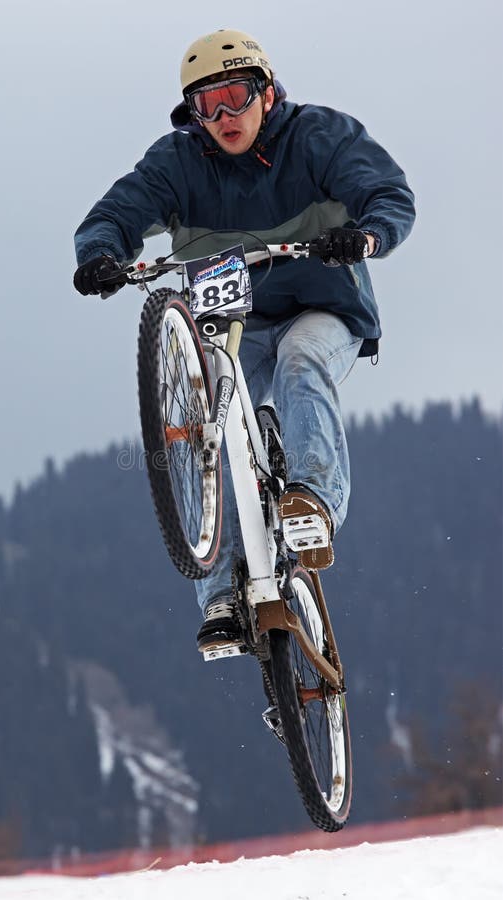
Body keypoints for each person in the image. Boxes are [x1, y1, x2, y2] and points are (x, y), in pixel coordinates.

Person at [73, 28, 416, 653]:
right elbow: (113, 215)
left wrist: (363, 238)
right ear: (192, 115)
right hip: (237, 326)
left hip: (321, 307)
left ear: (266, 92)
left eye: (235, 96)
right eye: (208, 106)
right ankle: (225, 591)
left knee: (301, 358)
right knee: (218, 423)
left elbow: (389, 195)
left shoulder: (318, 136)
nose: (225, 117)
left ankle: (312, 498)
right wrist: (100, 255)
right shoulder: (177, 163)